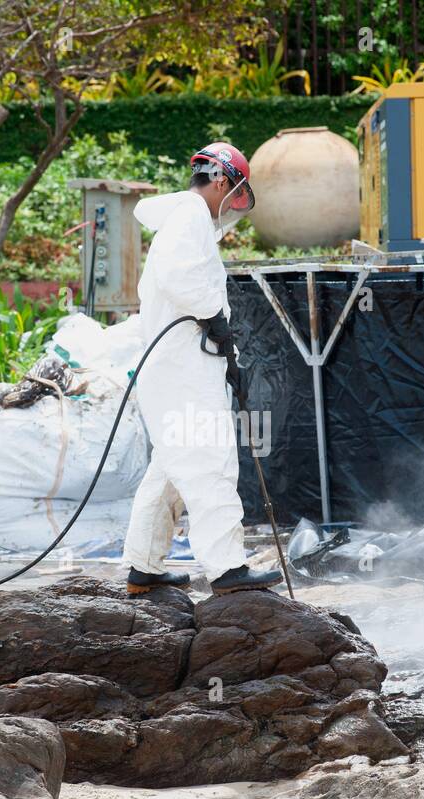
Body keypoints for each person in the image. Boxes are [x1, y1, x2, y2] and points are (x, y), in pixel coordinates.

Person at [122, 142, 283, 597]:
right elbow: (180, 276)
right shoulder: (191, 214)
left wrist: (223, 350)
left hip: (176, 368)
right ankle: (227, 568)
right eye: (233, 193)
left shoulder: (184, 218)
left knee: (170, 470)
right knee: (210, 459)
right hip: (180, 371)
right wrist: (217, 320)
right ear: (220, 180)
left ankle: (143, 568)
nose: (231, 205)